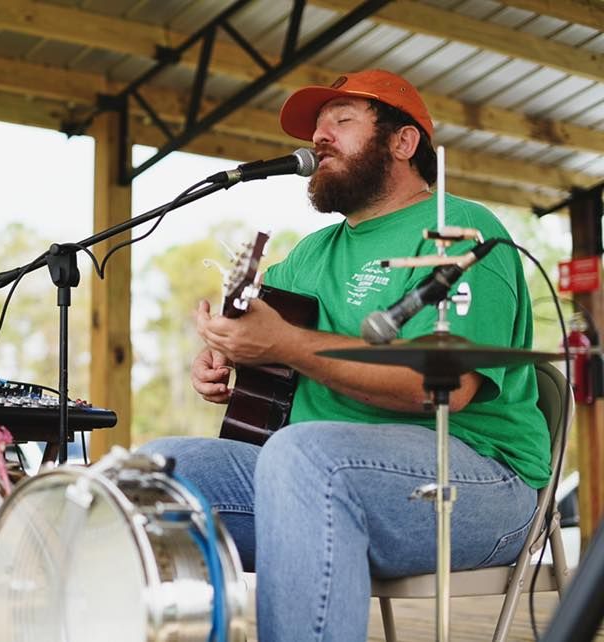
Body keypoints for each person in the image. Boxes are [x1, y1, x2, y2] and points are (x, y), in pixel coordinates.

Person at [139, 69, 549, 641]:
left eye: (342, 120)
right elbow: (261, 335)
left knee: (305, 454)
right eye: (317, 126)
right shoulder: (311, 254)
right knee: (155, 474)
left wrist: (285, 343)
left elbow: (445, 386)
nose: (319, 136)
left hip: (478, 482)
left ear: (403, 143)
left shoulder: (460, 228)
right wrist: (223, 353)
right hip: (313, 473)